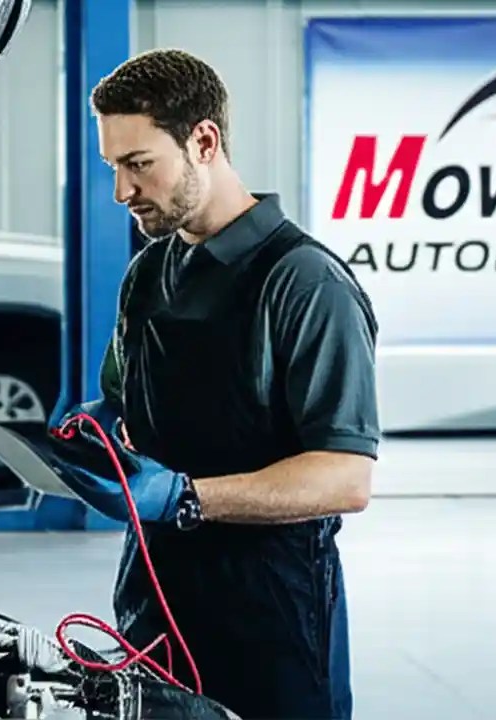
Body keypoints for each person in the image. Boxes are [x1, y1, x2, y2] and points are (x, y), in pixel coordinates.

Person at [47, 48, 380, 720]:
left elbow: (345, 476)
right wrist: (92, 434)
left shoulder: (305, 284)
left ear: (204, 141)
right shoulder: (148, 275)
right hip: (153, 604)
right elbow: (124, 404)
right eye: (114, 166)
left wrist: (184, 496)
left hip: (272, 619)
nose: (121, 191)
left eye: (138, 164)